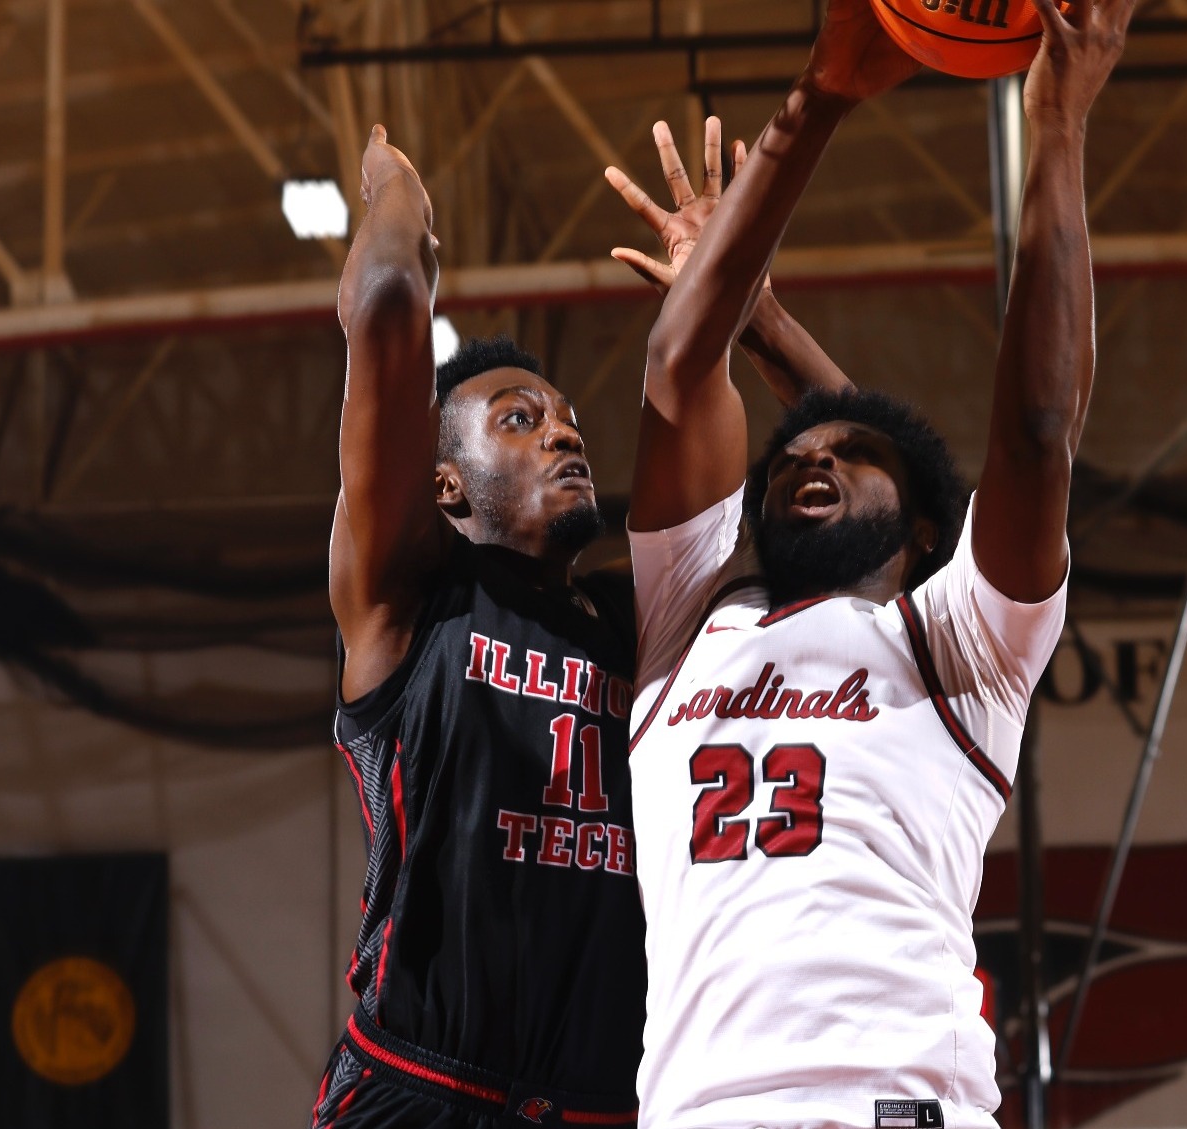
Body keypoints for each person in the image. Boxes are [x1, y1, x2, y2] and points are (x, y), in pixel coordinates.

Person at [620, 0, 1134, 1123]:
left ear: (921, 536)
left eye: (853, 456)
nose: (812, 455)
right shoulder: (686, 614)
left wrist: (1057, 125)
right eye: (795, 452)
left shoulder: (958, 642)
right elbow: (675, 366)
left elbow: (1035, 435)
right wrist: (811, 107)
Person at [315, 122, 843, 1129]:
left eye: (565, 418)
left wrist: (753, 314)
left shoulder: (643, 623)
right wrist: (395, 195)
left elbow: (878, 499)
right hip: (423, 1093)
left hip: (618, 1106)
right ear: (445, 486)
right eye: (517, 419)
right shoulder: (409, 598)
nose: (562, 428)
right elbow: (386, 302)